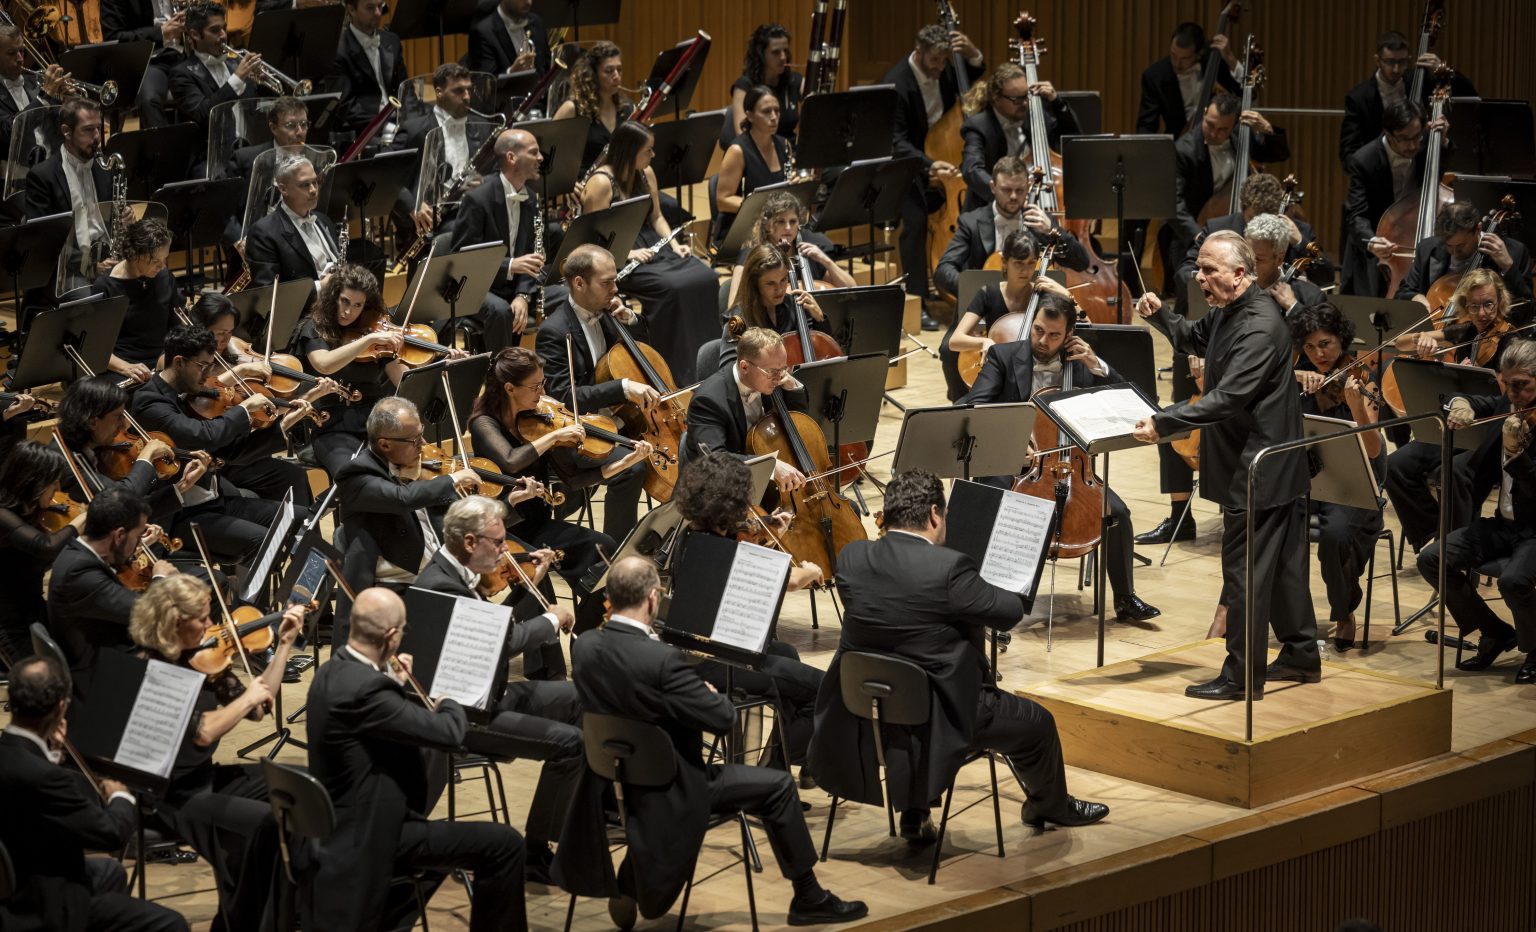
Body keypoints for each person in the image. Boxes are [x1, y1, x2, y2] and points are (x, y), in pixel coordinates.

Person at [553, 555, 867, 928]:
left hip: (614, 777)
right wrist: (707, 692)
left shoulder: (585, 647)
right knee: (780, 785)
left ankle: (634, 880)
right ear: (653, 598)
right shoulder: (663, 660)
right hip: (675, 782)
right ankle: (809, 896)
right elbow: (724, 719)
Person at [809, 469, 1109, 842]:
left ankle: (915, 813)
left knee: (907, 673)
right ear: (935, 514)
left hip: (865, 709)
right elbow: (1009, 612)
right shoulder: (949, 569)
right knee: (1038, 724)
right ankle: (1050, 806)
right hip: (941, 715)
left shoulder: (852, 557)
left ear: (886, 515)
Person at [1132, 230, 1318, 699]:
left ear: (1240, 273)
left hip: (1259, 470)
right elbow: (1193, 336)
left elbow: (1228, 398)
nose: (1200, 277)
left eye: (1210, 269)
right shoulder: (1230, 313)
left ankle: (1241, 677)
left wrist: (1164, 420)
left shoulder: (1258, 326)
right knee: (1285, 568)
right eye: (1199, 268)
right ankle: (1299, 655)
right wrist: (1161, 315)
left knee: (1246, 575)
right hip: (1269, 465)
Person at [306, 587, 529, 932]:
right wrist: (450, 695)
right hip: (372, 833)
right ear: (392, 636)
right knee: (506, 844)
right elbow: (449, 733)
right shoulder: (367, 690)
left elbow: (376, 722)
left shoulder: (332, 670)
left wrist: (391, 681)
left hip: (342, 820)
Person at [961, 292, 1160, 623]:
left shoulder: (1082, 364)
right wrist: (1011, 438)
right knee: (1012, 506)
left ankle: (1125, 598)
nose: (1042, 340)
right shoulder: (1004, 356)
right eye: (1038, 330)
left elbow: (1127, 400)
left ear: (1069, 334)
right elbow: (973, 406)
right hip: (1016, 464)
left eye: (1054, 335)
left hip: (1072, 467)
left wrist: (1098, 366)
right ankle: (1004, 608)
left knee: (1119, 513)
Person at [413, 494, 582, 880]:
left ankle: (586, 815)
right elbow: (502, 643)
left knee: (581, 698)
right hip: (466, 716)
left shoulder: (455, 573)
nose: (506, 550)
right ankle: (537, 850)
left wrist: (529, 585)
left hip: (490, 693)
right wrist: (550, 621)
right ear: (470, 542)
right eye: (498, 542)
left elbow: (492, 627)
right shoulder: (443, 586)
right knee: (572, 744)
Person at [128, 575, 302, 932]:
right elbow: (202, 732)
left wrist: (283, 645)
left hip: (203, 778)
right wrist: (247, 699)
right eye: (203, 618)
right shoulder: (151, 669)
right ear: (175, 622)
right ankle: (240, 920)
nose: (211, 626)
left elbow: (259, 704)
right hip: (167, 795)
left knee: (296, 788)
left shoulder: (203, 659)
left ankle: (280, 908)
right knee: (261, 826)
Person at [0, 654, 189, 932]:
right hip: (47, 906)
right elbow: (109, 834)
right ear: (60, 708)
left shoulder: (12, 754)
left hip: (21, 876)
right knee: (172, 923)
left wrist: (51, 752)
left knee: (111, 872)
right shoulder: (48, 778)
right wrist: (119, 795)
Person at [469, 346, 647, 634]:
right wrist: (554, 436)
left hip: (538, 522)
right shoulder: (484, 423)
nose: (542, 392)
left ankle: (589, 635)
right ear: (510, 388)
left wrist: (625, 462)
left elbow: (574, 479)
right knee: (534, 571)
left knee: (603, 547)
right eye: (535, 386)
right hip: (506, 527)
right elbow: (512, 461)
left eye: (544, 384)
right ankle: (545, 666)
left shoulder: (538, 420)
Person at [674, 453, 824, 769]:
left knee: (788, 653)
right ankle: (782, 762)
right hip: (718, 661)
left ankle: (778, 769)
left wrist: (774, 538)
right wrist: (810, 570)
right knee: (826, 690)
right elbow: (794, 581)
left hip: (707, 648)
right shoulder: (721, 550)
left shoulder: (692, 536)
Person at [1417, 339, 1536, 683]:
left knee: (1514, 581)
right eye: (1507, 384)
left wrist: (1518, 456)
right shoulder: (1509, 405)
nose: (1512, 394)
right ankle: (1495, 632)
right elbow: (1471, 400)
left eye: (1522, 386)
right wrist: (1460, 405)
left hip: (1535, 531)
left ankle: (1535, 648)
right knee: (1432, 559)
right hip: (1504, 525)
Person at [1386, 270, 1525, 555]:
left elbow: (1508, 394)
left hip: (1487, 429)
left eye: (1489, 304)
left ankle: (1460, 552)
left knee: (1458, 473)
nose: (1482, 313)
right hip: (1454, 424)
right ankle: (1436, 534)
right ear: (1465, 305)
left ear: (1500, 301)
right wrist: (1424, 339)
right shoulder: (1466, 330)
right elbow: (1400, 344)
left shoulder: (1511, 339)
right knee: (1396, 465)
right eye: (1474, 306)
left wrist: (1475, 375)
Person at [578, 120, 722, 382]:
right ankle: (675, 370)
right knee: (673, 288)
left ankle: (709, 366)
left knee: (707, 277)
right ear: (630, 151)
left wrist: (673, 243)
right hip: (617, 255)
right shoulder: (600, 183)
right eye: (648, 150)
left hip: (653, 245)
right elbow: (591, 238)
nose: (653, 155)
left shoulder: (647, 173)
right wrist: (628, 254)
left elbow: (656, 217)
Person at [534, 244, 654, 542]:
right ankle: (616, 552)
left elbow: (642, 353)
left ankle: (663, 538)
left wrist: (631, 321)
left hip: (618, 419)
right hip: (581, 431)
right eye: (607, 282)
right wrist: (622, 388)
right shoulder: (554, 331)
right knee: (630, 467)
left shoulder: (608, 312)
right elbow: (564, 395)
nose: (616, 288)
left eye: (615, 280)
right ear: (579, 283)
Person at [333, 396, 479, 640]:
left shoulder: (410, 464)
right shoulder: (356, 475)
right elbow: (401, 498)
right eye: (414, 440)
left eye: (421, 434)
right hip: (398, 581)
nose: (423, 444)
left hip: (434, 567)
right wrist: (453, 479)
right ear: (385, 444)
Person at [130, 323, 318, 511]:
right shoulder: (149, 401)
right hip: (182, 510)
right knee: (284, 522)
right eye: (202, 366)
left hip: (212, 493)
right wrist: (244, 408)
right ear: (179, 362)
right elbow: (204, 435)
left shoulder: (191, 394)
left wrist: (285, 423)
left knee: (300, 512)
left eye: (211, 367)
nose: (207, 376)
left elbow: (233, 452)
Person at [1291, 302, 1386, 651]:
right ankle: (1282, 614)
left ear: (1342, 341)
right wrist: (1298, 378)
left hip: (1354, 481)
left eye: (1326, 344)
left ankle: (1344, 611)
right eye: (1310, 346)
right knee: (1269, 521)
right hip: (1307, 477)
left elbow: (1373, 450)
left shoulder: (1363, 381)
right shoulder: (1298, 374)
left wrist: (1357, 407)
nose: (1318, 353)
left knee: (1335, 535)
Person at [883, 23, 984, 327]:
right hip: (907, 166)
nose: (941, 67)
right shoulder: (896, 84)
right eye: (935, 61)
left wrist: (972, 53)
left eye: (944, 60)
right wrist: (929, 164)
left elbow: (971, 79)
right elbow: (896, 141)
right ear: (919, 53)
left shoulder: (942, 69)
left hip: (940, 161)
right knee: (915, 222)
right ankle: (919, 298)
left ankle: (972, 288)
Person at [47, 487, 176, 691]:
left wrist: (133, 546)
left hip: (108, 656)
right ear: (119, 535)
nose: (138, 543)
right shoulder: (79, 571)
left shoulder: (79, 552)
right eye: (137, 535)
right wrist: (160, 577)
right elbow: (144, 613)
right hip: (99, 678)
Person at [1160, 92, 1290, 292]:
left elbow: (1278, 155)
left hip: (1237, 227)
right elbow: (1171, 202)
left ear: (1234, 125)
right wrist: (1199, 235)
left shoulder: (1240, 137)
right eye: (1210, 125)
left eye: (1222, 130)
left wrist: (1267, 128)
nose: (1213, 133)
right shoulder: (1183, 150)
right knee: (1191, 295)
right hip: (1192, 230)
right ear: (1204, 113)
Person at [294, 264, 406, 477]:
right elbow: (324, 364)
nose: (349, 312)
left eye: (358, 305)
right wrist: (369, 340)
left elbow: (402, 379)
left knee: (407, 468)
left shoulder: (373, 330)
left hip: (375, 422)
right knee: (355, 474)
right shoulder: (314, 327)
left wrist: (442, 361)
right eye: (345, 301)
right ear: (334, 296)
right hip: (332, 427)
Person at [933, 154, 1091, 301]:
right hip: (983, 310)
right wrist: (978, 293)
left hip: (1031, 311)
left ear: (1028, 186)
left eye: (1020, 190)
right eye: (1006, 190)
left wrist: (1053, 231)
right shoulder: (971, 222)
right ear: (993, 187)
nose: (1014, 196)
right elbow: (943, 270)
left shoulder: (1040, 222)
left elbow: (1081, 263)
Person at [939, 229, 1068, 402]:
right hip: (998, 373)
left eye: (1031, 263)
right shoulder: (988, 293)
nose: (1026, 270)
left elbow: (1083, 325)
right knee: (963, 406)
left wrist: (1064, 293)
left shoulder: (1042, 296)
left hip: (1033, 376)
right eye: (1018, 263)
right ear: (1004, 262)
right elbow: (954, 341)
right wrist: (985, 341)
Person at [447, 127, 545, 351]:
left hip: (514, 287)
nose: (540, 158)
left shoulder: (530, 198)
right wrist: (510, 265)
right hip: (476, 286)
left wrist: (522, 295)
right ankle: (501, 379)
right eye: (533, 152)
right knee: (501, 311)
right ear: (511, 157)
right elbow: (462, 257)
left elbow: (533, 257)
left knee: (566, 296)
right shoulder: (477, 199)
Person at [682, 326, 810, 497]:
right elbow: (715, 459)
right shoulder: (708, 401)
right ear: (744, 367)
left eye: (783, 369)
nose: (779, 377)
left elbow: (799, 426)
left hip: (766, 488)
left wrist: (793, 388)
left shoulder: (774, 381)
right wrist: (770, 465)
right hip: (720, 493)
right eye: (772, 371)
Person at [1342, 100, 1443, 297]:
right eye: (1405, 139)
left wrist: (1443, 140)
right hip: (1380, 247)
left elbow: (1445, 169)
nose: (1413, 145)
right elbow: (1356, 215)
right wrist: (1371, 241)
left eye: (1417, 136)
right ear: (1388, 134)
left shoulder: (1428, 145)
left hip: (1416, 239)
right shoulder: (1364, 160)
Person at [0, 442, 87, 662]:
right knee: (45, 681)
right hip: (8, 625)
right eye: (53, 481)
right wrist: (84, 518)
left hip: (35, 610)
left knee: (81, 654)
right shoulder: (3, 516)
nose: (58, 488)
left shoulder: (34, 512)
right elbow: (46, 548)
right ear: (32, 481)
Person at [1338, 30, 1474, 168]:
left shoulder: (1419, 79)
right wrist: (1368, 173)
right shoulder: (1359, 98)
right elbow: (1349, 151)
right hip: (1380, 173)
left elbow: (1469, 94)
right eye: (1390, 62)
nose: (1396, 69)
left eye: (1402, 62)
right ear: (1377, 61)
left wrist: (1444, 71)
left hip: (1420, 170)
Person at [959, 62, 1078, 212]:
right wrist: (1002, 192)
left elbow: (1073, 140)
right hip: (991, 211)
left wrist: (1057, 102)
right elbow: (971, 169)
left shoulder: (1036, 117)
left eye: (1026, 96)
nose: (1024, 104)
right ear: (996, 98)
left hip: (1039, 206)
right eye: (1017, 99)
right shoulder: (979, 126)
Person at [23, 97, 113, 288]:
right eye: (88, 130)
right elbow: (45, 243)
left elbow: (112, 222)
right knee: (97, 294)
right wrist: (91, 267)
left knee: (157, 279)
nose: (97, 136)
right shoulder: (42, 177)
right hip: (67, 271)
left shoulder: (105, 167)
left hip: (108, 259)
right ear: (67, 131)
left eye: (98, 128)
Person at [168, 3, 263, 174]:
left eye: (224, 29)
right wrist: (237, 79)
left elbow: (257, 110)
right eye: (215, 30)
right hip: (212, 158)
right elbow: (204, 113)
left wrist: (262, 84)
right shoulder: (181, 74)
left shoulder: (235, 64)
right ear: (195, 34)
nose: (223, 36)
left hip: (249, 149)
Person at [1393, 201, 1534, 313]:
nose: (1454, 252)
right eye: (1449, 246)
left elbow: (1527, 308)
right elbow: (1404, 292)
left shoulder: (1513, 252)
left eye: (1460, 246)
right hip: (1433, 336)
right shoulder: (1428, 248)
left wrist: (1508, 267)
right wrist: (1417, 298)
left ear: (1478, 229)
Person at [725, 191, 852, 308]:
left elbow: (851, 290)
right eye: (780, 221)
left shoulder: (807, 251)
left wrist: (826, 261)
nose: (788, 228)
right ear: (767, 224)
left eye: (793, 221)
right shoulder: (751, 254)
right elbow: (734, 306)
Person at [93, 219, 182, 384]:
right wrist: (125, 367)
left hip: (162, 361)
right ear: (134, 255)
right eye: (156, 261)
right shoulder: (106, 286)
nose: (162, 266)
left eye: (165, 259)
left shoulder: (164, 278)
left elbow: (176, 327)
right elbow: (96, 347)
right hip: (124, 366)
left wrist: (167, 357)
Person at [720, 243, 830, 371]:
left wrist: (820, 320)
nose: (780, 289)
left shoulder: (795, 305)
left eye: (783, 280)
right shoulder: (738, 319)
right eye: (770, 283)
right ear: (755, 284)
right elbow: (728, 370)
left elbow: (823, 352)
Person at [245, 155, 344, 288]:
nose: (313, 190)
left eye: (315, 182)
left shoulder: (324, 220)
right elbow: (268, 292)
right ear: (283, 189)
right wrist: (320, 287)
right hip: (306, 308)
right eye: (304, 185)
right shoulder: (263, 233)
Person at [713, 84, 791, 244]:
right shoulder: (737, 151)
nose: (774, 116)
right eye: (766, 111)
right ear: (749, 115)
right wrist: (766, 209)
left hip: (779, 227)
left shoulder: (784, 145)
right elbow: (722, 200)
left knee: (820, 246)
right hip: (742, 230)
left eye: (777, 110)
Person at [1135, 20, 1239, 136]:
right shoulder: (1155, 76)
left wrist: (1231, 59)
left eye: (1184, 59)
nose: (1177, 64)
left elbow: (1241, 92)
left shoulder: (1213, 61)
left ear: (1199, 53)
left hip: (1218, 139)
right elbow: (1146, 125)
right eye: (1173, 55)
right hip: (1180, 145)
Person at [100, 0, 185, 129]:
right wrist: (160, 33)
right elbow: (113, 38)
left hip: (184, 55)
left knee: (214, 86)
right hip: (148, 60)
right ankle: (163, 147)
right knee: (149, 99)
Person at [553, 41, 630, 175]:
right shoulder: (572, 109)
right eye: (609, 71)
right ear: (593, 74)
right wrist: (565, 179)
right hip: (585, 186)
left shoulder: (626, 108)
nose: (617, 76)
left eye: (619, 70)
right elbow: (549, 151)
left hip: (619, 183)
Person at [333, 0, 407, 135]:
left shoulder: (392, 40)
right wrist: (388, 127)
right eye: (370, 8)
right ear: (351, 9)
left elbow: (406, 90)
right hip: (365, 131)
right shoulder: (338, 50)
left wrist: (411, 120)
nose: (378, 13)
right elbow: (347, 107)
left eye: (380, 6)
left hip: (399, 121)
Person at [726, 24, 801, 148]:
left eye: (785, 51)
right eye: (776, 52)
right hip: (760, 153)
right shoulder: (744, 86)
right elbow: (742, 133)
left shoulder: (794, 80)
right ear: (761, 55)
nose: (783, 57)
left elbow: (816, 103)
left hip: (790, 153)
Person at [0, 25, 68, 155]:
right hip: (17, 171)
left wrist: (61, 100)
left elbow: (58, 128)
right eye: (11, 53)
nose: (20, 59)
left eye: (22, 51)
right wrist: (44, 96)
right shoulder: (43, 90)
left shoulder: (34, 82)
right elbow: (11, 131)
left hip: (51, 164)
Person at [222, 95, 309, 182]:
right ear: (273, 128)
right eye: (291, 125)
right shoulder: (245, 160)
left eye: (304, 124)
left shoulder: (315, 162)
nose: (300, 132)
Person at [466, 0, 551, 79]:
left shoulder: (537, 22)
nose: (529, 2)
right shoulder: (482, 32)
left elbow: (546, 67)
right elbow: (485, 84)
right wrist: (511, 73)